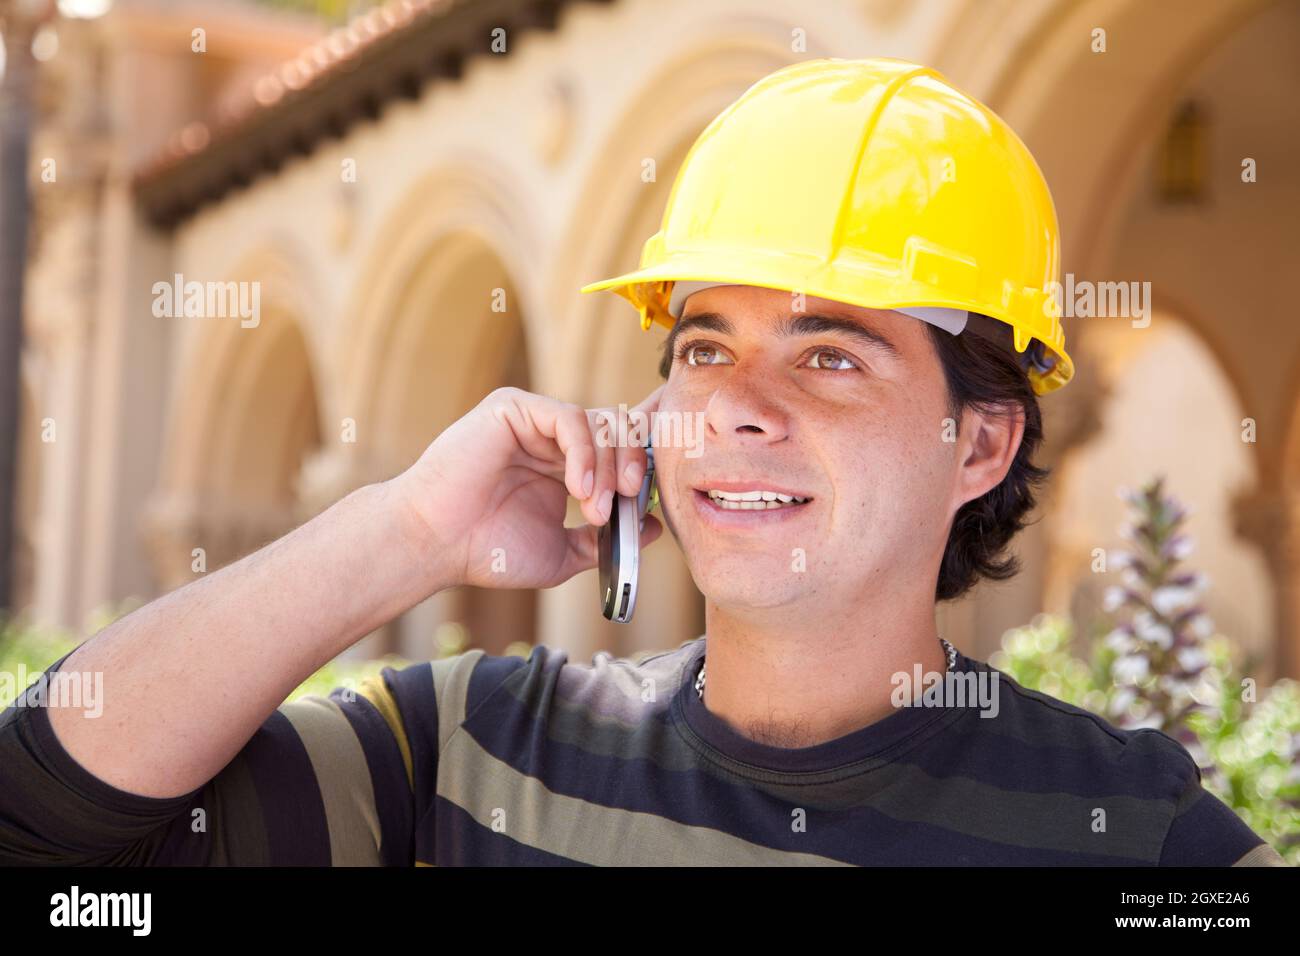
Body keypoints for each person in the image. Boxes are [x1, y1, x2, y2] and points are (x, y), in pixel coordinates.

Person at [0, 58, 1285, 866]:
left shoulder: (1139, 831)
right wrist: (401, 529)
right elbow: (46, 819)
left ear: (982, 439)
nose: (736, 407)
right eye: (704, 348)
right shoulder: (473, 743)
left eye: (829, 355)